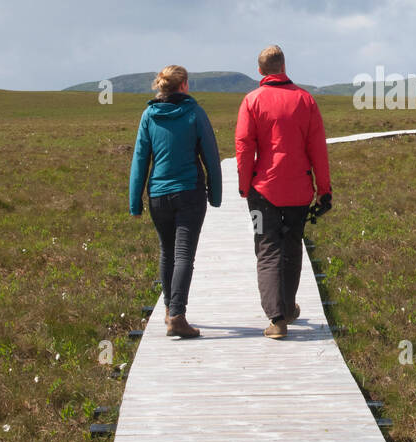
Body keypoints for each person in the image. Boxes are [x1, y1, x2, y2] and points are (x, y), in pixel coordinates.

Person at [234, 45, 331, 339]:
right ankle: (287, 306)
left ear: (260, 70)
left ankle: (277, 318)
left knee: (266, 249)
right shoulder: (306, 100)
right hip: (300, 191)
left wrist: (243, 184)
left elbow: (243, 146)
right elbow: (318, 150)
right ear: (284, 66)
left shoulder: (251, 100)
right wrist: (323, 190)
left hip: (262, 192)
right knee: (291, 247)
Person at [129, 65, 223, 338]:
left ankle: (171, 311)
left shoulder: (149, 115)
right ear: (183, 86)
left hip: (158, 195)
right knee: (183, 255)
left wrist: (135, 202)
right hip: (189, 193)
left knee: (167, 252)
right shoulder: (194, 112)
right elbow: (211, 155)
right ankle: (177, 316)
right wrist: (215, 194)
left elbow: (140, 159)